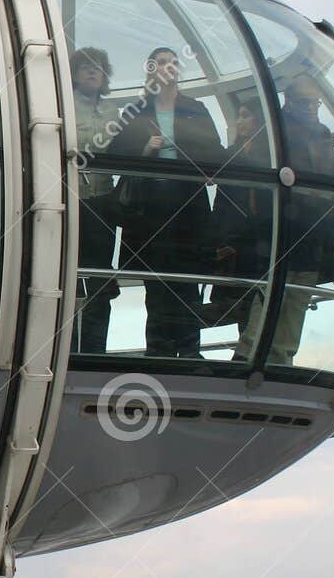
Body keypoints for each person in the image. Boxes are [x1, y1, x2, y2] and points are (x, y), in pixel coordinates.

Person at [106, 46, 224, 359]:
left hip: (187, 203)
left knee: (186, 282)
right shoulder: (136, 111)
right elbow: (117, 156)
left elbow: (215, 153)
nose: (168, 67)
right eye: (161, 62)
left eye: (173, 62)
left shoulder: (195, 108)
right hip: (150, 205)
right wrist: (145, 148)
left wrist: (187, 154)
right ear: (151, 71)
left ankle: (188, 351)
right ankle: (158, 350)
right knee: (156, 285)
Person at [238, 74, 334, 366]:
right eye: (305, 102)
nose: (311, 107)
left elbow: (333, 176)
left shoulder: (318, 134)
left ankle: (280, 358)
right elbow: (265, 176)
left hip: (311, 231)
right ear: (288, 100)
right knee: (274, 296)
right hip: (287, 229)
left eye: (315, 102)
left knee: (295, 299)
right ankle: (250, 356)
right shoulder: (274, 132)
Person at [70, 47, 121, 354]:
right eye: (86, 67)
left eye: (98, 68)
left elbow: (119, 150)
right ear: (74, 73)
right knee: (69, 272)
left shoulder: (114, 111)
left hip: (102, 201)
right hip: (71, 198)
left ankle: (94, 348)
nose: (92, 72)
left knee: (101, 276)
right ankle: (68, 345)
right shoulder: (62, 104)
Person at [213, 100, 273, 348]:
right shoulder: (233, 155)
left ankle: (251, 350)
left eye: (245, 116)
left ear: (259, 120)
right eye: (238, 116)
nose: (239, 122)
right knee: (241, 298)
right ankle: (247, 349)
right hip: (238, 241)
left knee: (257, 297)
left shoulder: (264, 155)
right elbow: (222, 200)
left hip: (261, 238)